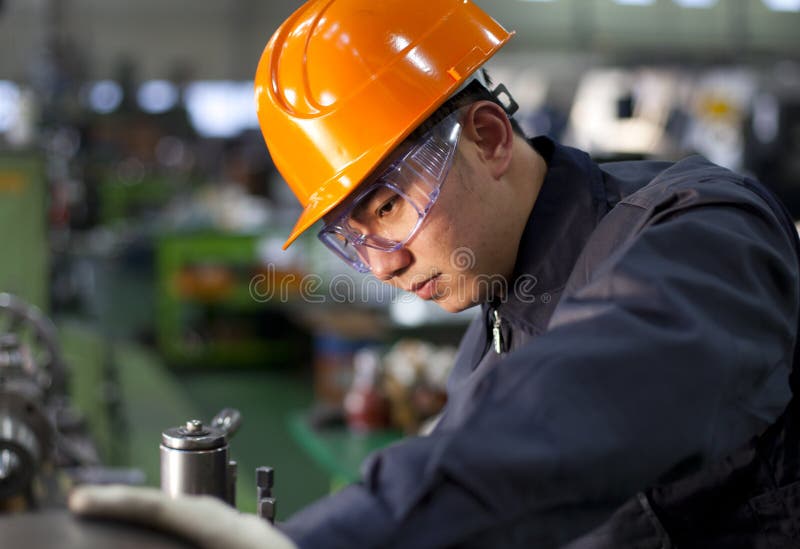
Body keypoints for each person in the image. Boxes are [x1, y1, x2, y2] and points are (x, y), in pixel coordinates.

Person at [69, 1, 800, 547]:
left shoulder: (702, 232)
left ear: (487, 137)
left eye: (388, 206)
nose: (382, 261)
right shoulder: (492, 331)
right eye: (351, 238)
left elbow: (566, 413)